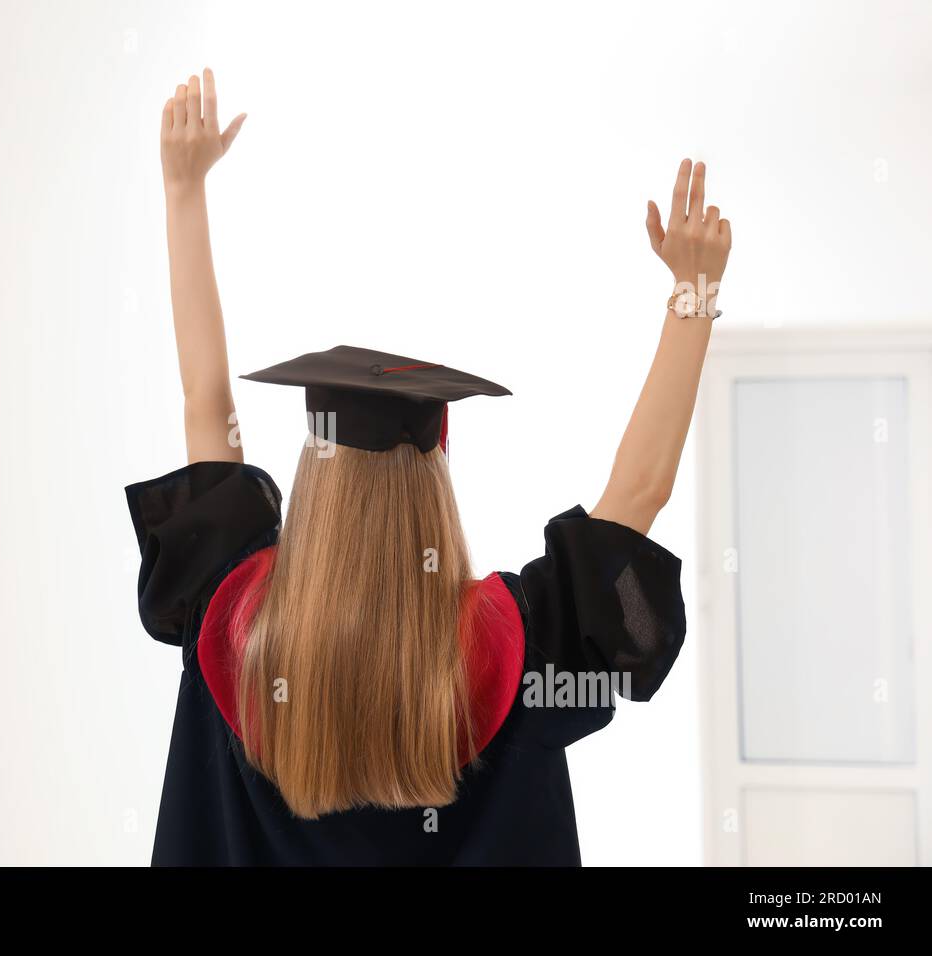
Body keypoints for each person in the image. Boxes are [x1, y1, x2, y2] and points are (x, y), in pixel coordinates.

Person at [125, 68, 732, 865]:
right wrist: (693, 292)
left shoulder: (229, 614)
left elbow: (206, 405)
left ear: (314, 475)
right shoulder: (518, 650)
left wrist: (181, 190)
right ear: (433, 479)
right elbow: (639, 496)